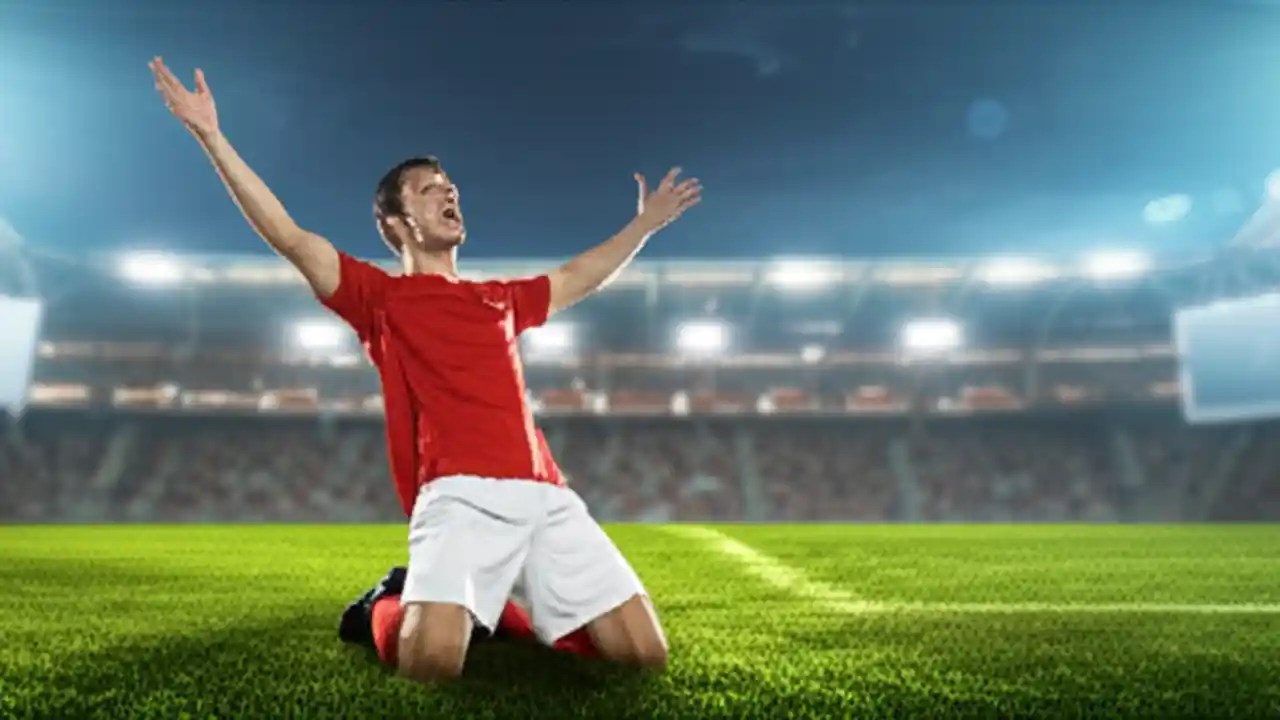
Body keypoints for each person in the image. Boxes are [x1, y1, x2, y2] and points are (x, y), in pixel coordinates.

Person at [149, 57, 701, 683]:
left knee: (644, 657)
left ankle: (494, 612)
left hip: (546, 494)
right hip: (456, 495)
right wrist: (212, 137)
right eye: (429, 188)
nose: (449, 192)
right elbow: (290, 236)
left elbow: (580, 274)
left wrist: (646, 224)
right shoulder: (379, 299)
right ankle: (388, 601)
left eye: (450, 185)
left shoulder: (499, 298)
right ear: (395, 222)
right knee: (430, 665)